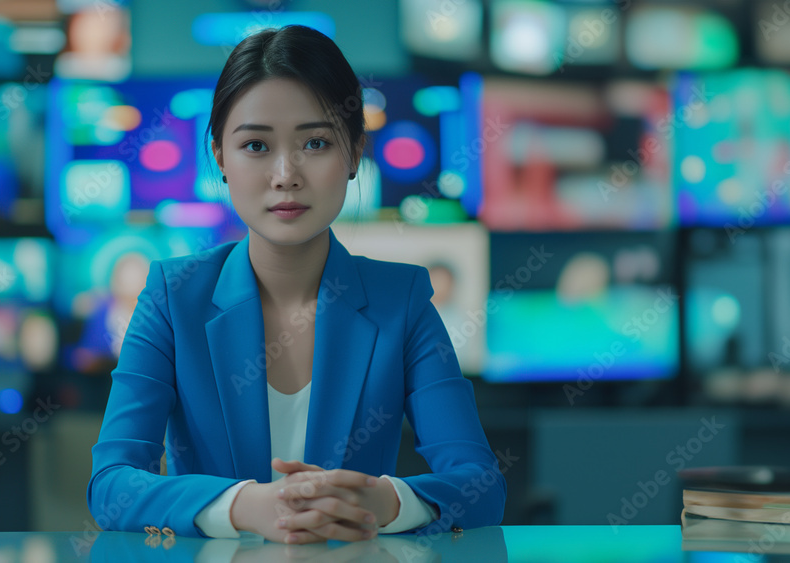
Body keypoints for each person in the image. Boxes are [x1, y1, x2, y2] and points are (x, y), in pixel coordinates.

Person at [87, 25, 505, 544]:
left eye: (316, 142)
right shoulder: (173, 298)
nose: (285, 174)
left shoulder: (403, 301)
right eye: (256, 145)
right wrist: (245, 506)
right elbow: (110, 485)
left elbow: (481, 484)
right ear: (220, 157)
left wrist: (386, 501)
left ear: (354, 155)